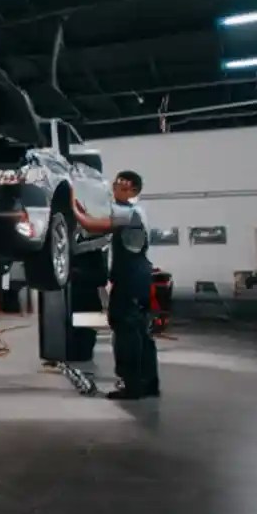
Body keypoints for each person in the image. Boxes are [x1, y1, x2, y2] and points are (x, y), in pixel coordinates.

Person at [72, 171, 160, 400]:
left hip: (130, 278)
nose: (116, 188)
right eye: (115, 184)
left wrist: (70, 204)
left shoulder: (127, 213)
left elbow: (90, 224)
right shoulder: (136, 211)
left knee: (125, 329)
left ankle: (132, 385)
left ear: (133, 190)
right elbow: (91, 220)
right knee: (140, 329)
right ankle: (149, 383)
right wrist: (79, 207)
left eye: (122, 186)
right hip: (138, 276)